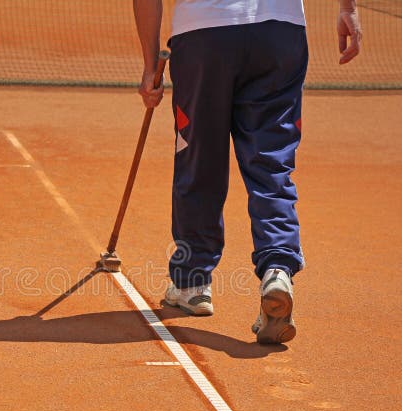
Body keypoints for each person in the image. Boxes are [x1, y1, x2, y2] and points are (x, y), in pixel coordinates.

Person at [133, 0, 361, 343]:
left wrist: (151, 64)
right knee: (272, 163)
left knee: (199, 158)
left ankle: (192, 281)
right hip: (279, 32)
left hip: (204, 32)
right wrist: (349, 9)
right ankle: (278, 269)